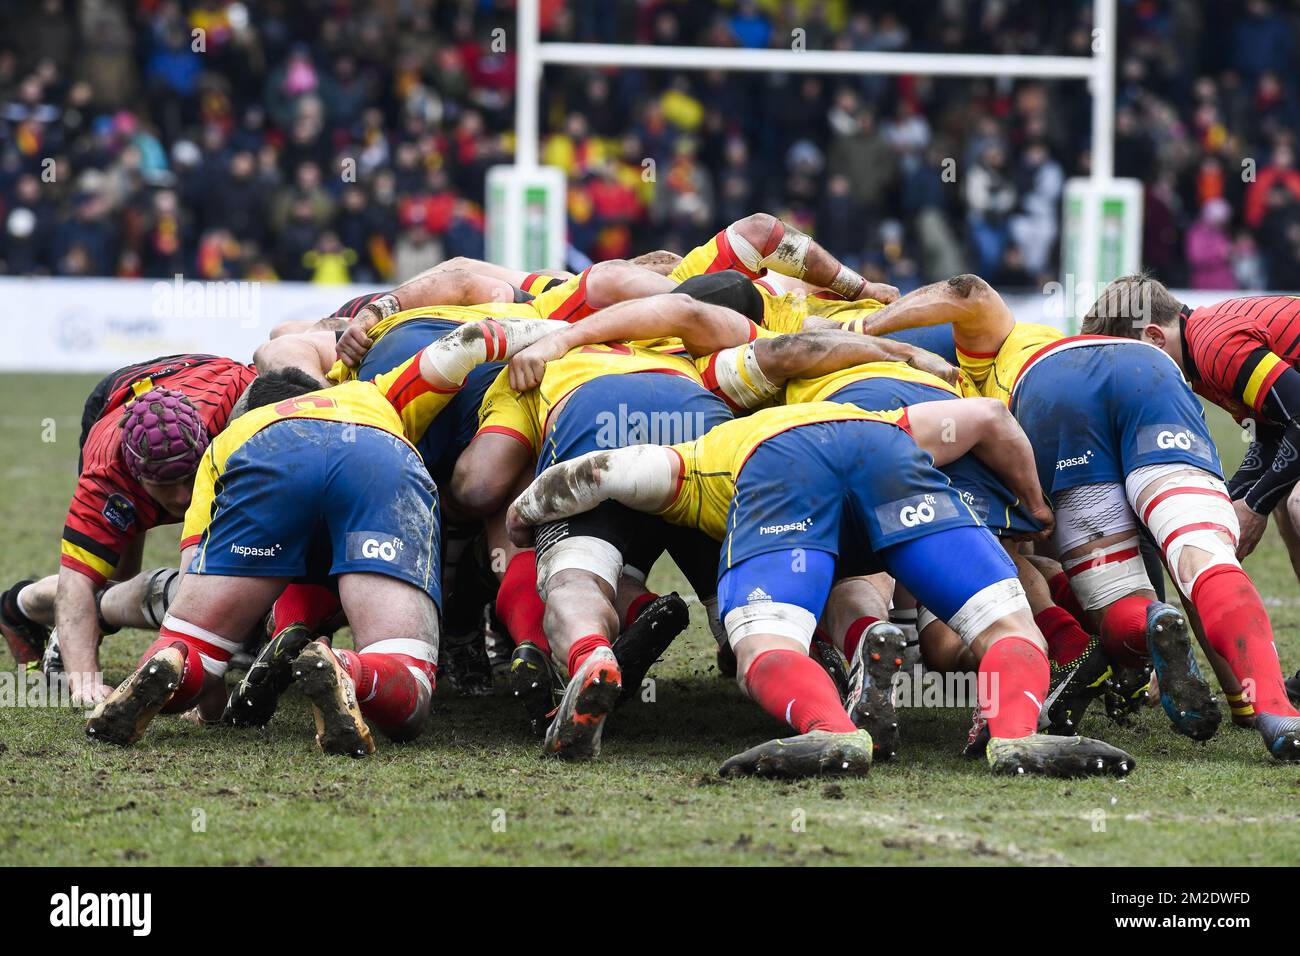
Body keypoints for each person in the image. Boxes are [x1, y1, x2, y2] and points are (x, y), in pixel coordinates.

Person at [505, 397, 1137, 779]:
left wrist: (522, 516)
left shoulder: (702, 455)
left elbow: (605, 469)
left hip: (779, 472)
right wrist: (1035, 504)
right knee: (1008, 625)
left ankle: (831, 728)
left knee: (767, 645)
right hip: (886, 450)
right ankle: (1016, 735)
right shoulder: (880, 416)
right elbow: (989, 416)